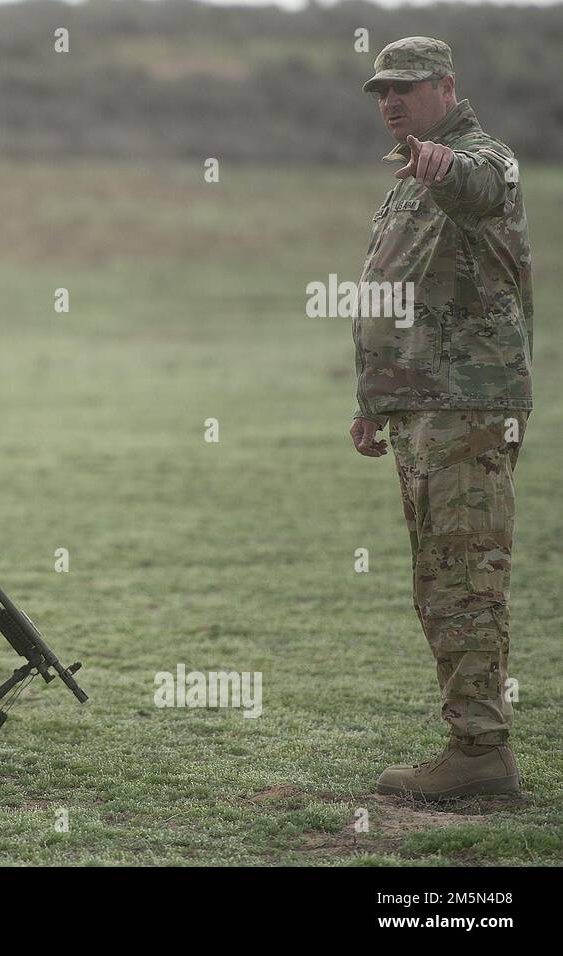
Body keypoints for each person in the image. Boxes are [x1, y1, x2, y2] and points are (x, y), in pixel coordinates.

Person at [351, 37, 532, 800]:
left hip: (468, 407)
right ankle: (470, 743)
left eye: (407, 87)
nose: (391, 101)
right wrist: (373, 402)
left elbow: (483, 186)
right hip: (424, 406)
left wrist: (443, 166)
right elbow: (400, 292)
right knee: (439, 576)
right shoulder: (405, 177)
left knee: (464, 575)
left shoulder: (480, 158)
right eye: (382, 91)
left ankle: (482, 752)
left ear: (447, 86)